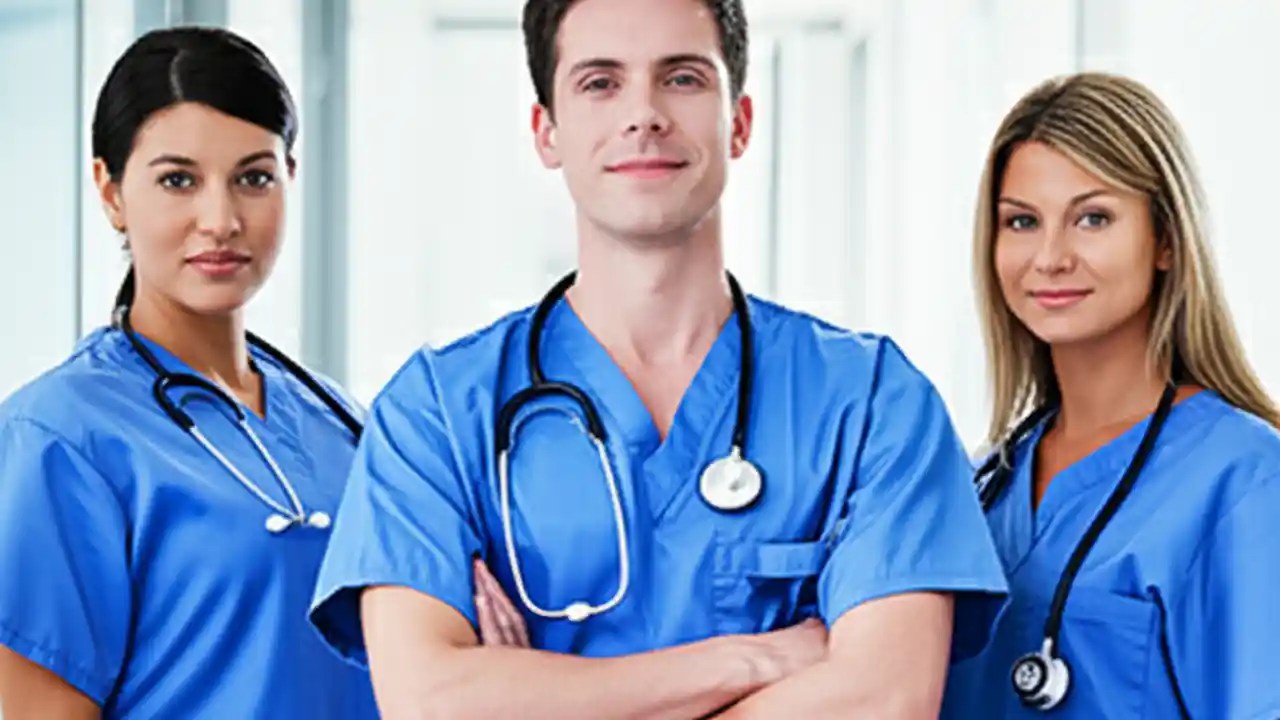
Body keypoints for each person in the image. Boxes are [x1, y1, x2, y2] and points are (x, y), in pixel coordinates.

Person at [310, 0, 1007, 717]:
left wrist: (539, 700)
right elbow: (431, 703)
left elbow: (881, 704)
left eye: (681, 78)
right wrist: (755, 658)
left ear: (738, 122)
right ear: (546, 131)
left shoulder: (873, 402)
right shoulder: (436, 414)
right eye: (600, 83)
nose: (643, 113)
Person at [0, 27, 379, 719]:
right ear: (109, 191)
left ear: (291, 179)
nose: (221, 219)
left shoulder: (342, 420)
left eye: (254, 177)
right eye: (178, 181)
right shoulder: (58, 436)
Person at [942, 71, 1280, 719]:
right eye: (1021, 221)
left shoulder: (1245, 483)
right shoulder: (981, 484)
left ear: (1166, 241)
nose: (1050, 257)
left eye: (1092, 218)